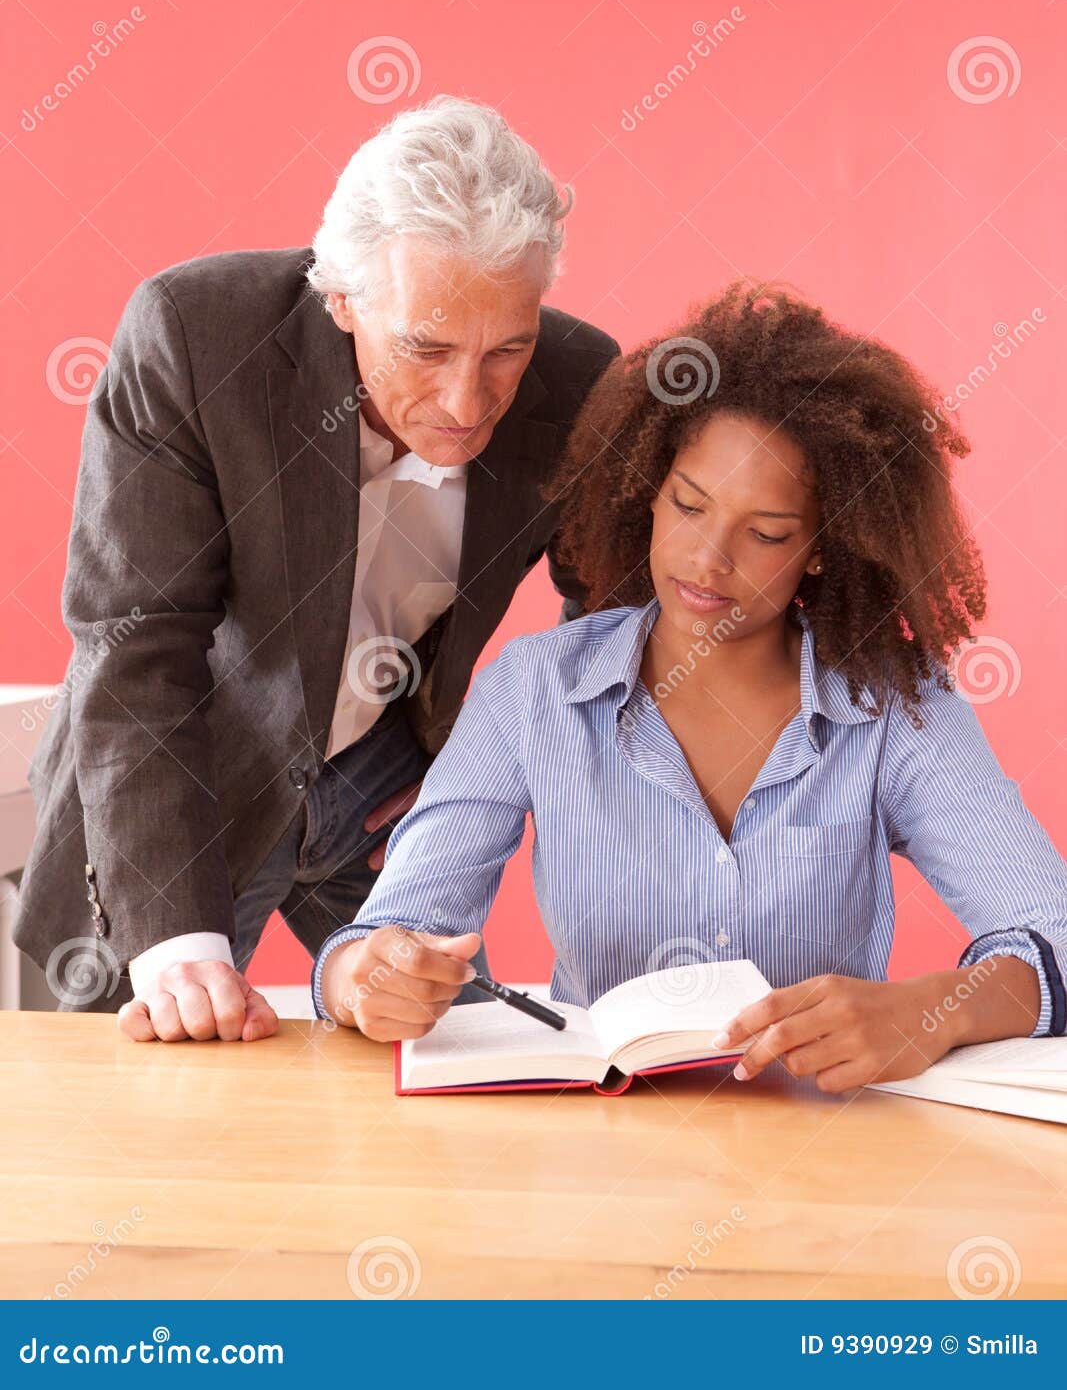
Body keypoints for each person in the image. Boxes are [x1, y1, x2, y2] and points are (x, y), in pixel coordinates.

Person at [314, 282, 1067, 1092]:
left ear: (824, 546)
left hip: (825, 1159)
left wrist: (927, 1011)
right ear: (649, 491)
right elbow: (390, 935)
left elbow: (1050, 938)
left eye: (767, 533)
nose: (708, 561)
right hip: (603, 1149)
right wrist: (365, 978)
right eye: (688, 505)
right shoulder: (534, 691)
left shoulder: (893, 708)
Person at [15, 96, 618, 1040]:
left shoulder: (582, 381)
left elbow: (612, 639)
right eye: (424, 347)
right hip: (188, 772)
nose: (468, 402)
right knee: (125, 1121)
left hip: (385, 780)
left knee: (452, 1078)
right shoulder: (196, 336)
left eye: (507, 347)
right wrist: (179, 951)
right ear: (340, 297)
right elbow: (136, 646)